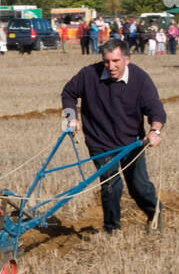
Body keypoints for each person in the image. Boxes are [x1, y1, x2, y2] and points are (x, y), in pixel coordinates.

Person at [61, 38, 166, 233]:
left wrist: (155, 130)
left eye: (116, 61)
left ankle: (155, 213)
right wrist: (71, 117)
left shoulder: (140, 79)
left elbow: (156, 109)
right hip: (99, 142)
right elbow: (68, 93)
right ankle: (112, 229)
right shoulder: (88, 75)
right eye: (107, 61)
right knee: (111, 184)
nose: (111, 66)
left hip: (131, 143)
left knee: (139, 187)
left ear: (127, 59)